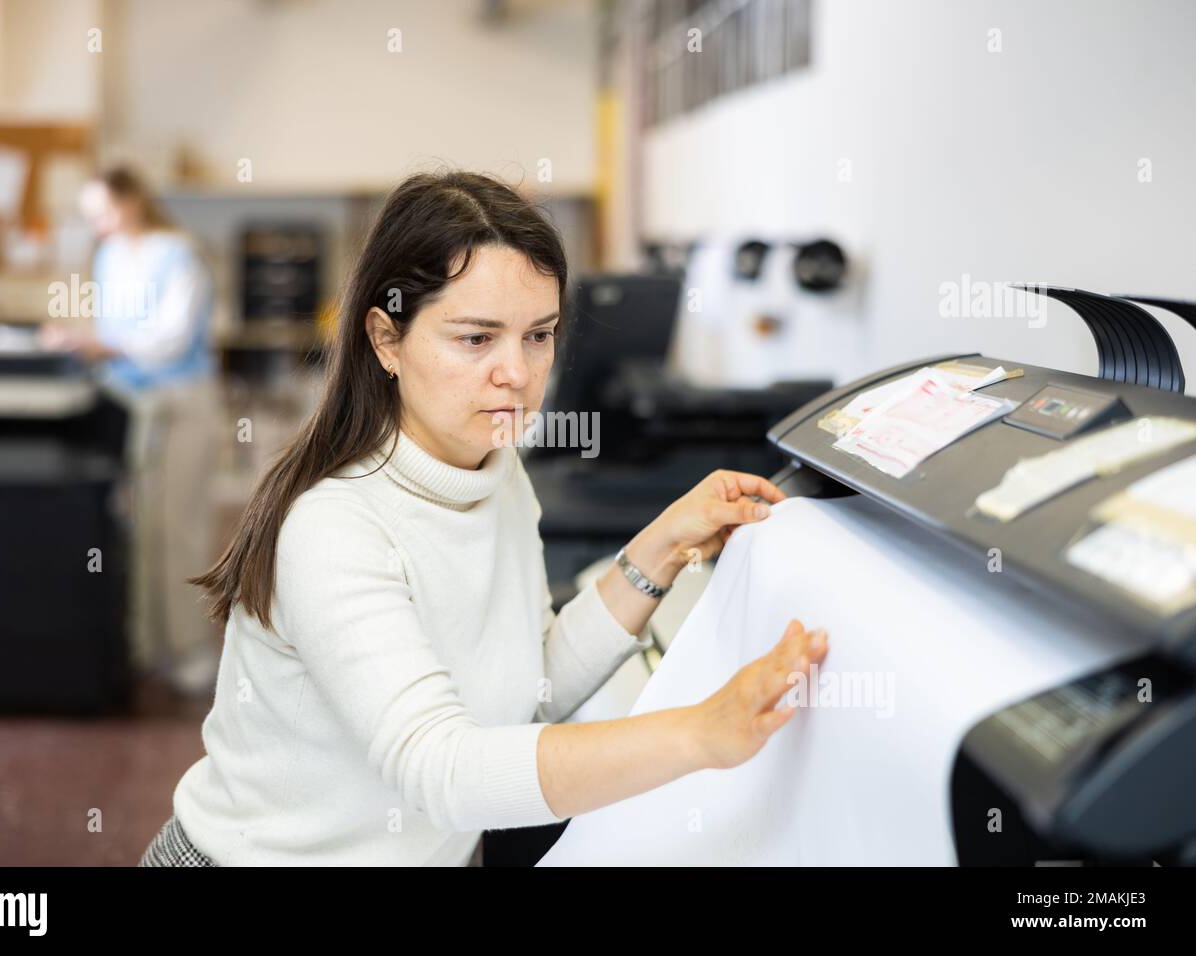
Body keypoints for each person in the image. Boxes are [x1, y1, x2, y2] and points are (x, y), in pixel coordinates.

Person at [139, 170, 828, 866]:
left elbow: (533, 690)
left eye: (539, 336)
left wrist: (662, 545)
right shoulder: (334, 528)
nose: (519, 375)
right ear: (386, 340)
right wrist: (699, 734)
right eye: (476, 339)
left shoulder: (498, 474)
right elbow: (442, 771)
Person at [42, 166, 222, 695]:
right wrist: (81, 338)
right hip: (132, 404)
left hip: (183, 405)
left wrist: (97, 344)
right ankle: (146, 645)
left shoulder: (179, 254)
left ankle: (191, 651)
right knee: (138, 530)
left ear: (133, 201)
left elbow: (168, 338)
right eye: (90, 217)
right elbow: (117, 328)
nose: (98, 225)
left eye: (104, 212)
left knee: (178, 529)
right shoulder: (109, 257)